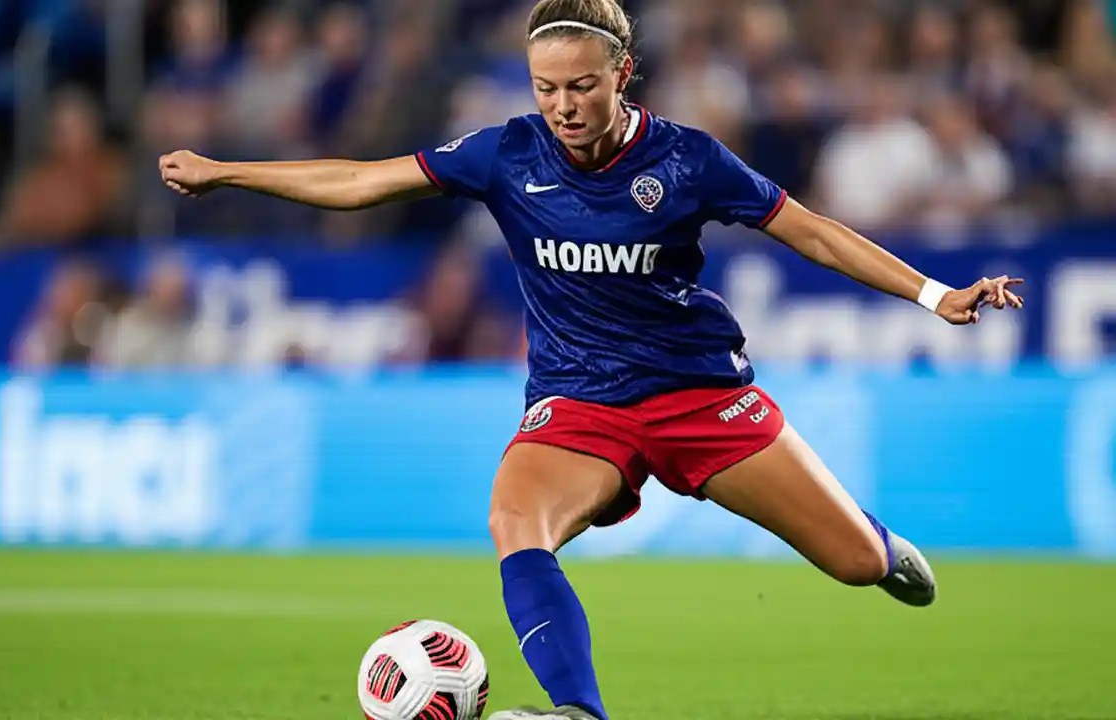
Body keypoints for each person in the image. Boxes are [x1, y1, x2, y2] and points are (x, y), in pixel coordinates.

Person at [157, 1, 1025, 718]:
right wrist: (226, 171)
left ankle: (878, 546)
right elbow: (360, 182)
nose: (564, 107)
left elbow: (815, 233)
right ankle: (579, 712)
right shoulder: (507, 153)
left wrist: (933, 295)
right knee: (515, 524)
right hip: (579, 405)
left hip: (700, 399)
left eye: (581, 87)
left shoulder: (687, 160)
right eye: (546, 90)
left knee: (854, 564)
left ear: (623, 75)